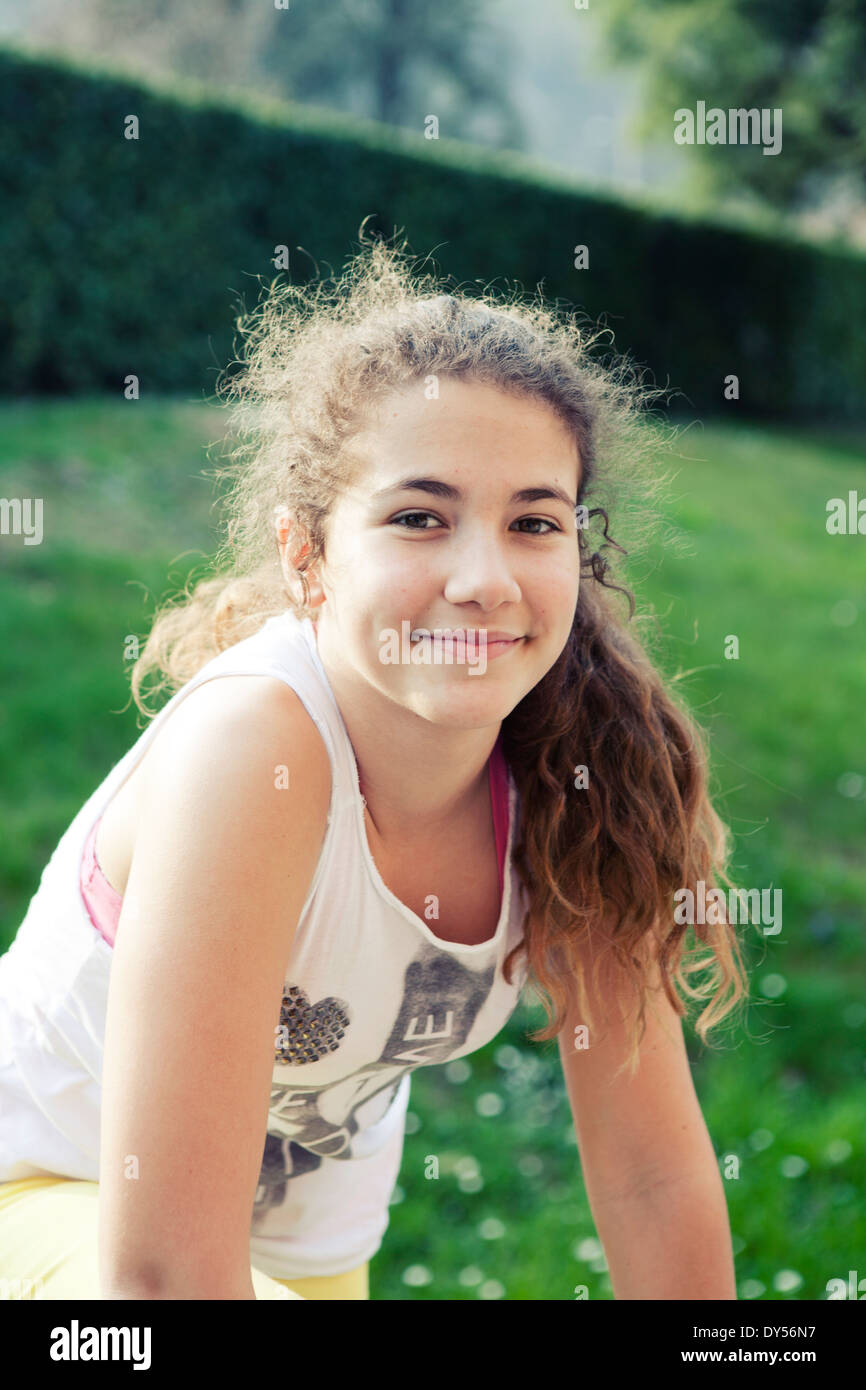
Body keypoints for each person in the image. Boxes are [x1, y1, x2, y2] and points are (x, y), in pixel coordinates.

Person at [0, 231, 749, 1301]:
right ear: (306, 554)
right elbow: (159, 1280)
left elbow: (646, 1175)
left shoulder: (580, 774)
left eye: (532, 521)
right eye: (417, 518)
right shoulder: (253, 748)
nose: (483, 578)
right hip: (42, 1206)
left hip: (299, 1263)